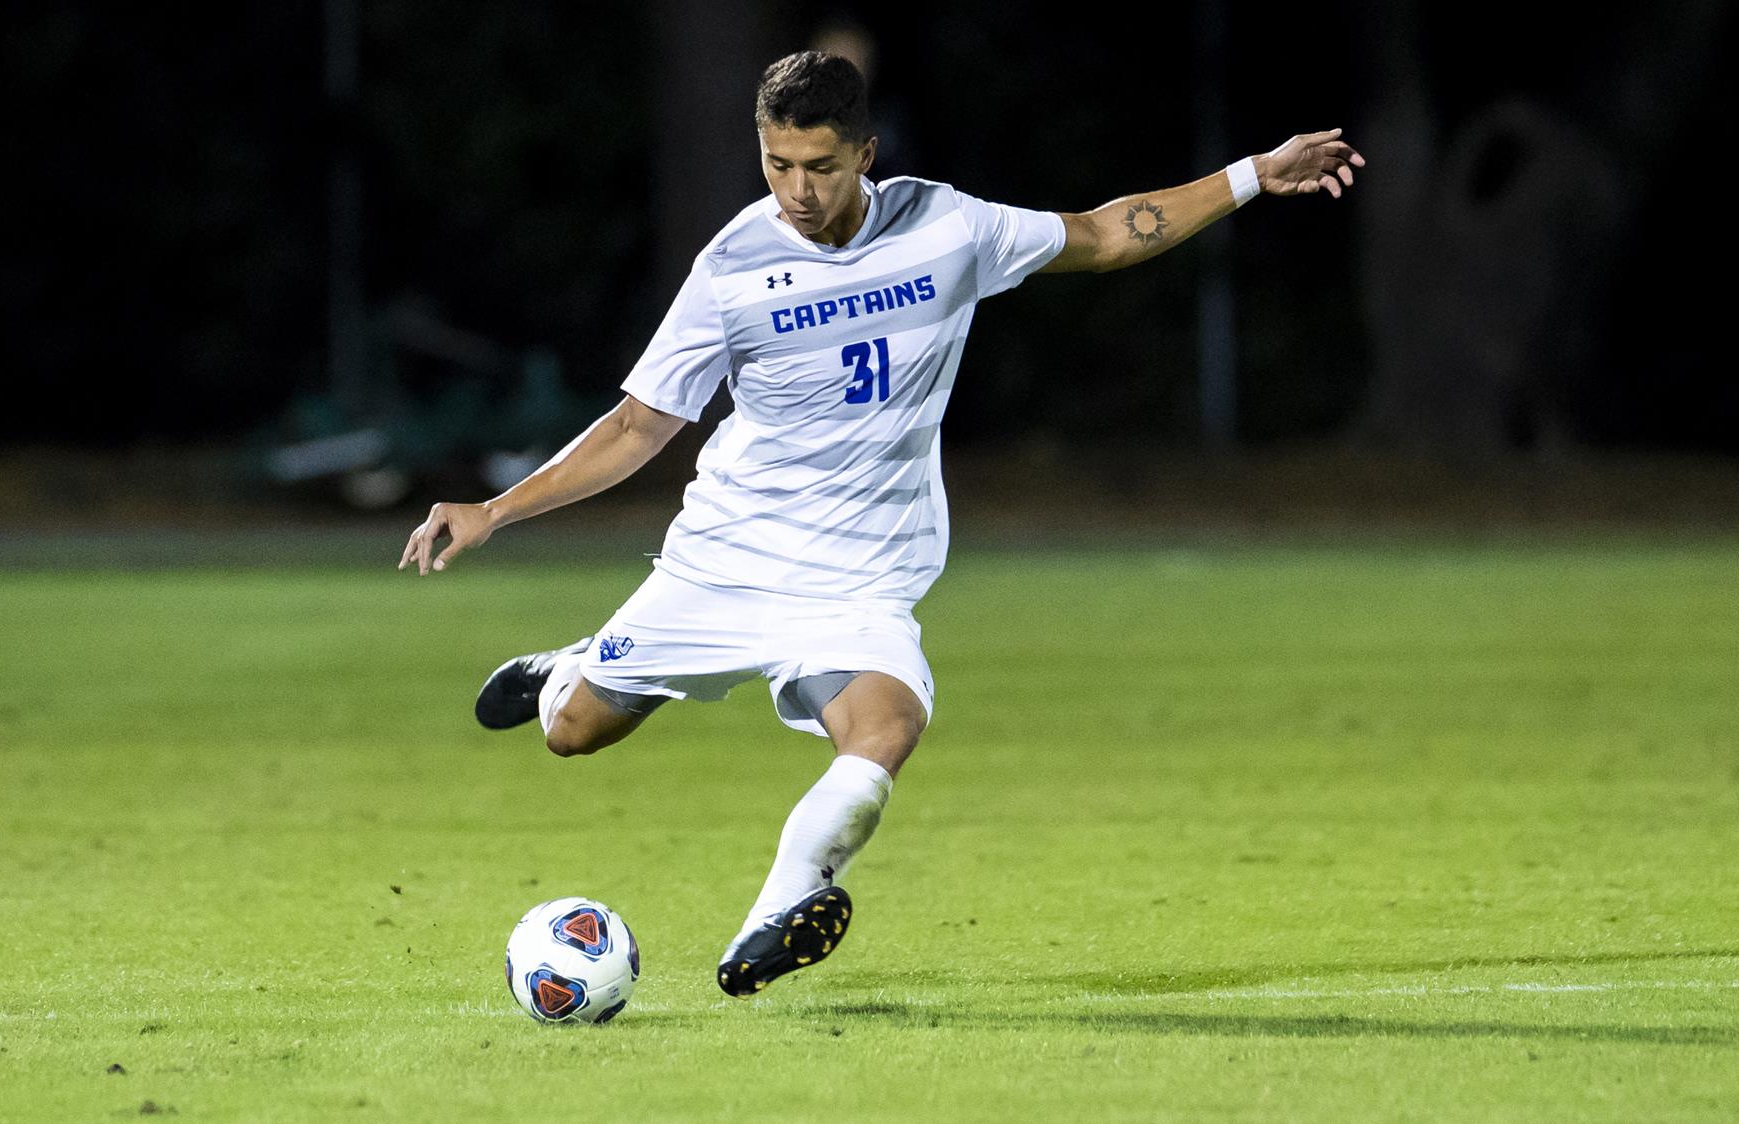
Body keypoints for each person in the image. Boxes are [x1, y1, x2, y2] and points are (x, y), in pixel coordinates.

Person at [398, 50, 1364, 998]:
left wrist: (1251, 176)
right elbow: (641, 424)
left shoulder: (947, 227)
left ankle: (773, 919)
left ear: (867, 152)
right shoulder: (732, 266)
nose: (799, 191)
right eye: (779, 165)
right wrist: (494, 509)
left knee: (886, 727)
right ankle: (567, 668)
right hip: (725, 561)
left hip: (859, 579)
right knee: (572, 735)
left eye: (821, 166)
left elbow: (1107, 233)